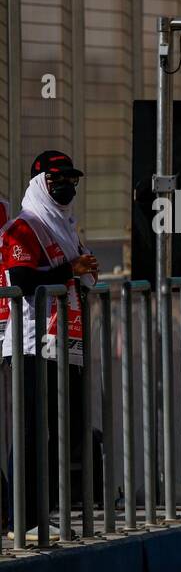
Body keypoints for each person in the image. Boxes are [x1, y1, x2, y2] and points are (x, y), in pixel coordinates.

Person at [2, 151, 98, 540]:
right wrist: (70, 271)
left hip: (64, 341)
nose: (67, 186)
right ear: (40, 182)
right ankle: (19, 520)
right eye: (59, 179)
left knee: (68, 430)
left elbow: (76, 274)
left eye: (72, 180)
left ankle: (44, 513)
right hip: (31, 342)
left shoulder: (66, 226)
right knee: (31, 432)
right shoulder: (23, 227)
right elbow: (23, 282)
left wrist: (84, 270)